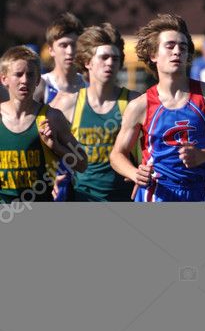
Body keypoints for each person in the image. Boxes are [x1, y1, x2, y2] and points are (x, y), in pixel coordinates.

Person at [110, 14, 205, 202]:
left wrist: (203, 156)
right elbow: (117, 154)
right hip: (156, 194)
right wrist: (135, 174)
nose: (177, 51)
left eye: (182, 47)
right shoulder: (140, 105)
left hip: (202, 193)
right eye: (170, 46)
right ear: (153, 55)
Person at [49, 23, 138, 201]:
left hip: (125, 198)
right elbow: (42, 144)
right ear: (87, 62)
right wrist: (50, 178)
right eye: (104, 57)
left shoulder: (134, 101)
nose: (110, 63)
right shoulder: (67, 103)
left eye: (115, 58)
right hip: (82, 198)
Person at [1, 46, 87, 203]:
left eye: (30, 74)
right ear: (4, 79)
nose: (25, 80)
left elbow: (82, 163)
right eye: (18, 74)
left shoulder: (51, 116)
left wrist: (56, 147)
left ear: (38, 80)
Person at [36, 12, 88, 200]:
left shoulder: (88, 85)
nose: (69, 51)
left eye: (74, 45)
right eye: (63, 45)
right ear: (51, 49)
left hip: (85, 171)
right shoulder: (41, 85)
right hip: (52, 174)